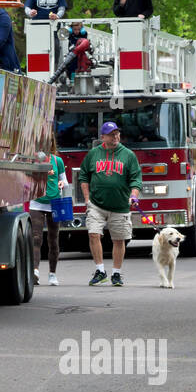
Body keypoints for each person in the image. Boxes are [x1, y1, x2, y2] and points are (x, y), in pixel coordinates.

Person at [77, 121, 143, 286]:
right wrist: (87, 199)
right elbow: (84, 176)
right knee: (93, 234)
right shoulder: (93, 154)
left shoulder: (128, 155)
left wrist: (134, 196)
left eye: (117, 133)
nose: (115, 137)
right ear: (103, 137)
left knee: (119, 240)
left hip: (120, 205)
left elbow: (136, 179)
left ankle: (116, 274)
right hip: (97, 205)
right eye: (112, 134)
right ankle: (100, 271)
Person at [26, 150, 68, 286]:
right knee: (36, 238)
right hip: (37, 202)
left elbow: (64, 181)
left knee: (53, 240)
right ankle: (35, 271)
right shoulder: (33, 159)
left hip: (54, 203)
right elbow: (26, 179)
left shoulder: (57, 161)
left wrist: (61, 184)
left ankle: (52, 274)